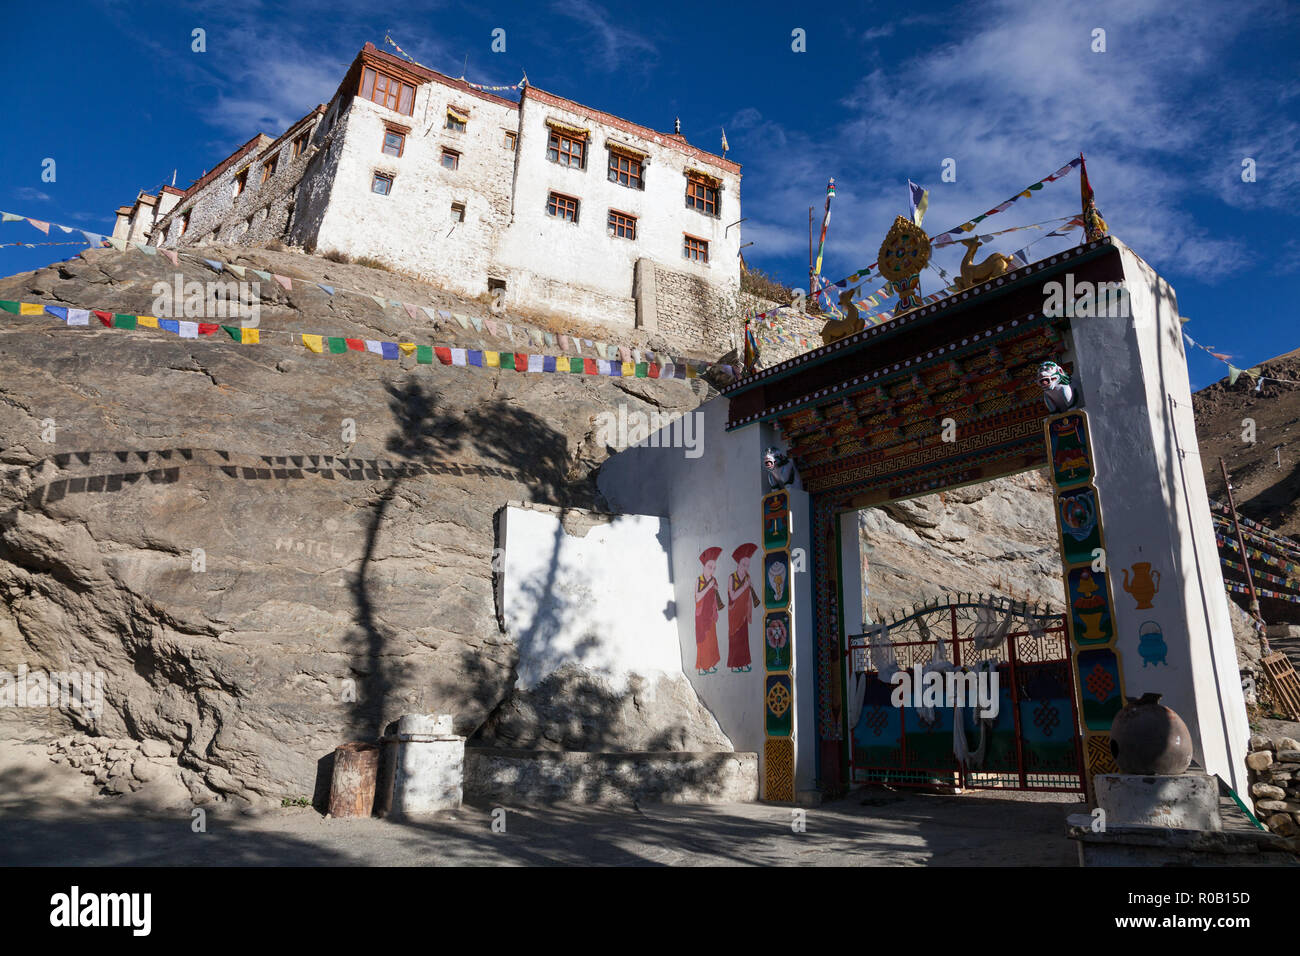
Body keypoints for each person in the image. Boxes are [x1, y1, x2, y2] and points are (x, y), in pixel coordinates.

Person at [727, 543, 760, 671]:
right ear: (738, 564)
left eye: (747, 565)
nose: (746, 568)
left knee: (744, 639)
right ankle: (735, 664)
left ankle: (744, 662)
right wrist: (745, 586)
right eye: (743, 565)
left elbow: (749, 597)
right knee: (735, 638)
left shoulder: (747, 577)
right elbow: (733, 596)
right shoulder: (732, 578)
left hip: (744, 613)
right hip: (734, 614)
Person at [694, 547, 724, 674]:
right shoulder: (699, 580)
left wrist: (715, 588)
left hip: (711, 615)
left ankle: (710, 665)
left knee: (712, 641)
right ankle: (701, 667)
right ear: (704, 566)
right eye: (709, 567)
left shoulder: (714, 580)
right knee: (702, 641)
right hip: (701, 616)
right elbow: (697, 597)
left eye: (714, 568)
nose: (711, 570)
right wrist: (709, 587)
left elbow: (713, 598)